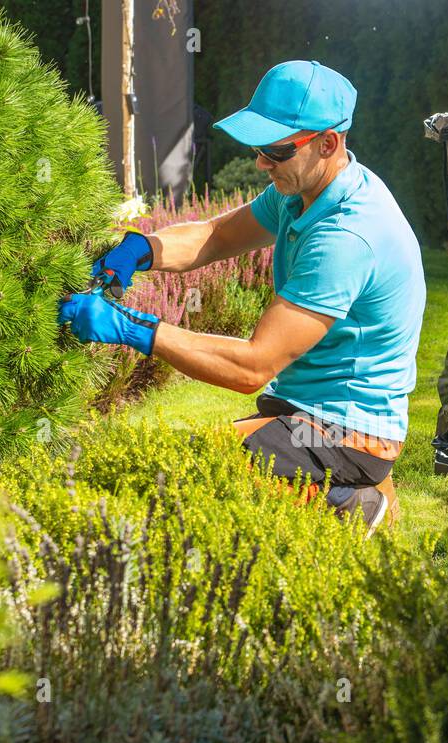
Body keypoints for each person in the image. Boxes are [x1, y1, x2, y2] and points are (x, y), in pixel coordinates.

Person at [59, 60, 426, 536]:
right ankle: (342, 493)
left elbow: (252, 367)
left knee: (190, 474)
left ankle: (347, 500)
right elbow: (214, 236)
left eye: (274, 150)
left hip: (346, 428)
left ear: (328, 143)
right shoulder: (307, 189)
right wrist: (142, 249)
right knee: (217, 465)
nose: (260, 163)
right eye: (258, 147)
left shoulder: (346, 237)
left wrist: (129, 328)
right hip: (306, 405)